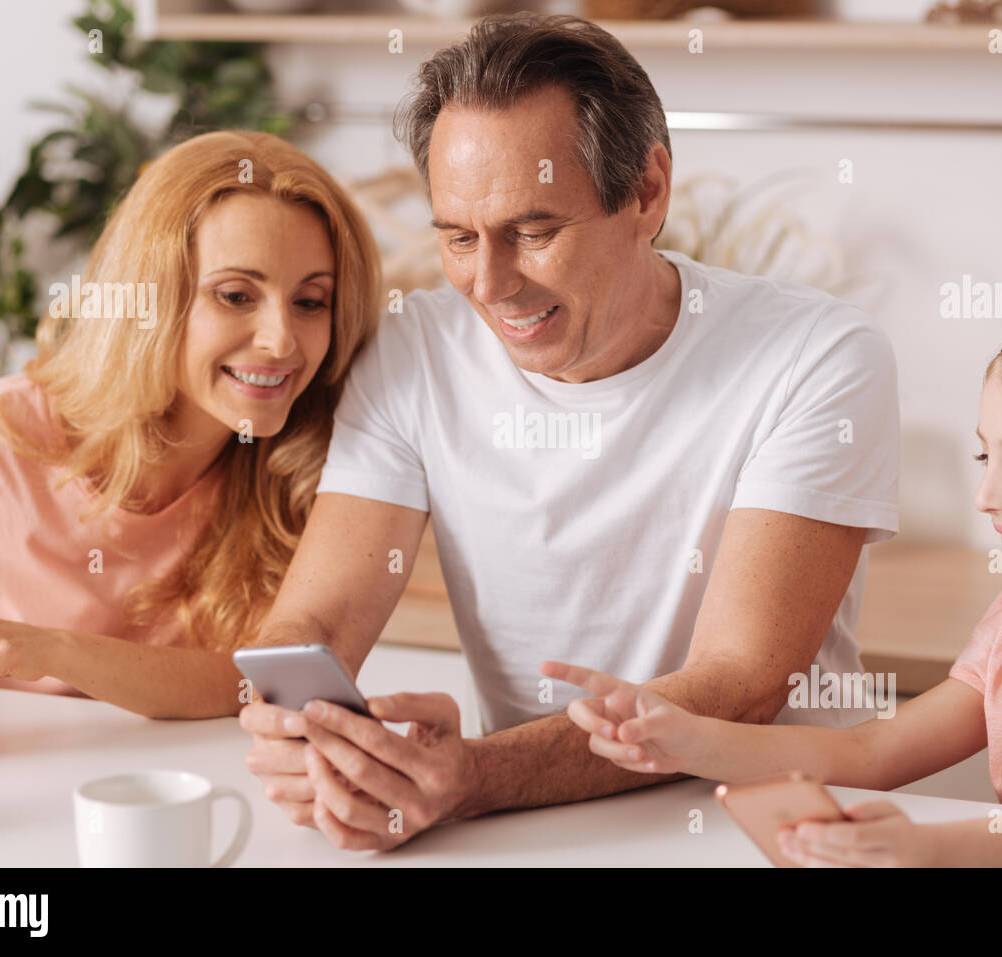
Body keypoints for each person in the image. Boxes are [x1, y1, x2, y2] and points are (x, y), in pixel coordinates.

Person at [241, 13, 900, 850]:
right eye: (457, 237)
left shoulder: (815, 356)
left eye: (533, 232)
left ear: (647, 192)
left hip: (758, 826)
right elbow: (320, 623)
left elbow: (741, 684)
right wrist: (304, 730)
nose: (490, 284)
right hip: (525, 830)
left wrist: (477, 775)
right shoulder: (415, 348)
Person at [549, 303, 1002, 867]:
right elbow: (873, 748)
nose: (985, 496)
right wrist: (684, 737)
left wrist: (931, 851)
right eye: (985, 457)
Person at [0, 131, 381, 745]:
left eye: (311, 302)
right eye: (235, 295)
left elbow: (266, 682)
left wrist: (52, 650)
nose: (282, 340)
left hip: (225, 801)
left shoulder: (315, 460)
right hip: (18, 801)